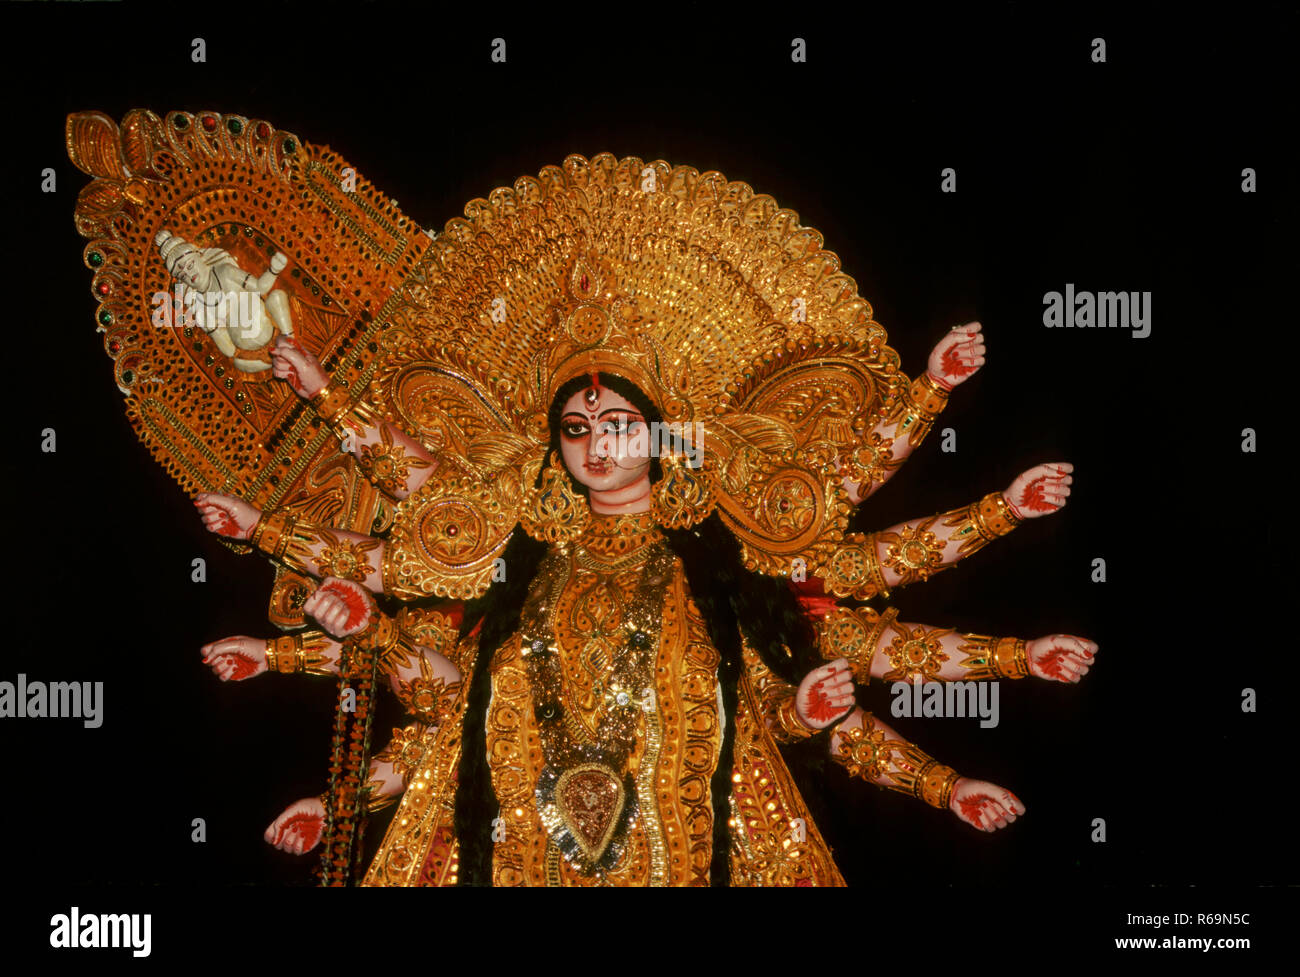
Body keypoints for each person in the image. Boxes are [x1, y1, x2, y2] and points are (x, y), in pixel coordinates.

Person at [195, 291, 1095, 886]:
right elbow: (444, 709)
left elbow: (850, 578)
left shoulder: (719, 570)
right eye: (578, 425)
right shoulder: (514, 572)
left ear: (661, 436)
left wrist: (971, 462)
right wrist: (348, 661)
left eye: (620, 421)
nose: (597, 441)